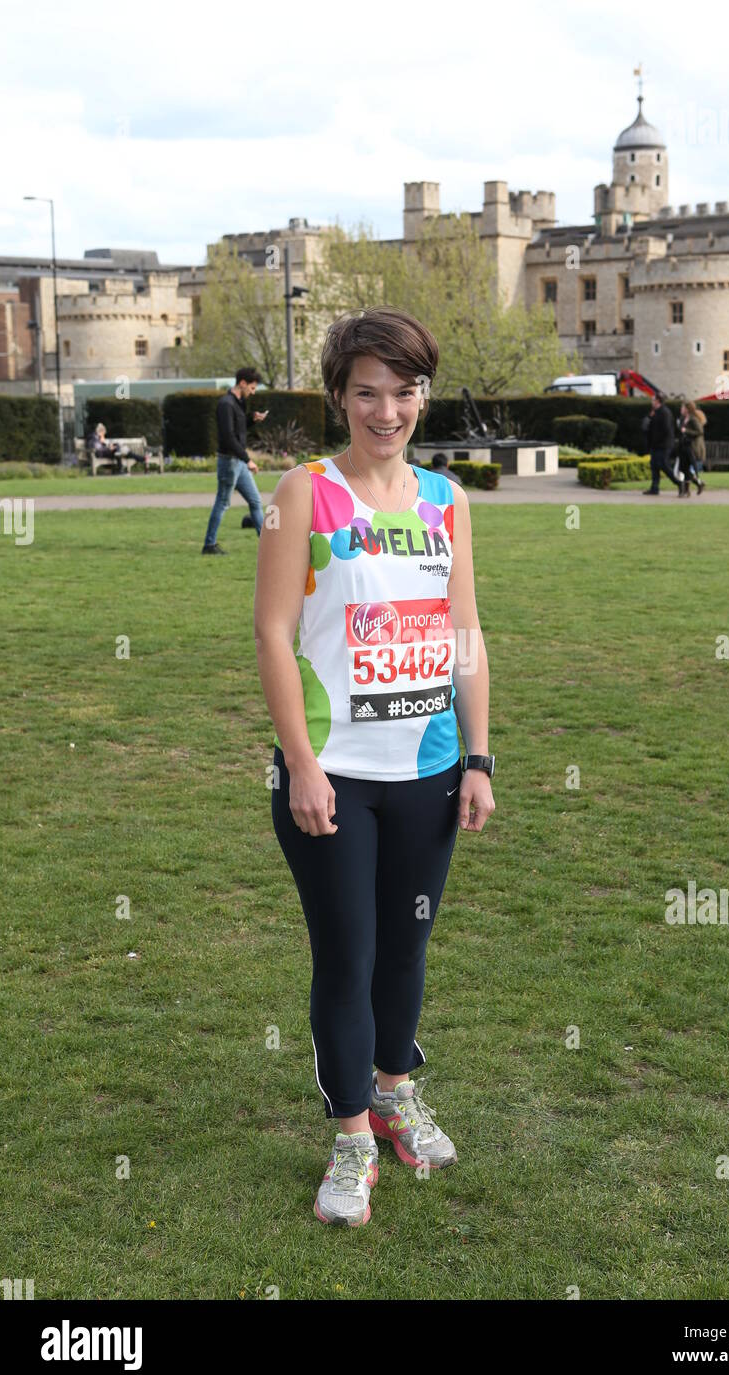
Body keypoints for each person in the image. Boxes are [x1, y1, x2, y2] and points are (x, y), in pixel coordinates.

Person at [254, 306, 496, 1226]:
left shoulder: (446, 499)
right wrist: (301, 763)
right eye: (367, 392)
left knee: (406, 947)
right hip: (335, 776)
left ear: (422, 396)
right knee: (348, 953)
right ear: (339, 397)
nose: (386, 411)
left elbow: (464, 632)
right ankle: (352, 1138)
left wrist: (476, 757)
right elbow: (274, 634)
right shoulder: (304, 492)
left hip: (429, 770)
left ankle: (396, 1092)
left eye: (403, 392)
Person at [201, 367, 269, 555]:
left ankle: (267, 545)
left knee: (255, 501)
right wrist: (248, 460)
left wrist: (252, 420)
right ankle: (209, 545)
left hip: (238, 463)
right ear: (242, 383)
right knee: (222, 502)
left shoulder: (239, 403)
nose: (252, 392)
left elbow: (238, 430)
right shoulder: (226, 404)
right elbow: (228, 437)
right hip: (230, 462)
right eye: (252, 388)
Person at [641, 392, 682, 495]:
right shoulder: (655, 412)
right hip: (656, 445)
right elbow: (649, 427)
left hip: (663, 445)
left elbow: (666, 430)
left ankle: (679, 483)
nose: (652, 402)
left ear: (657, 401)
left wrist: (658, 440)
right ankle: (654, 488)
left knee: (663, 465)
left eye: (653, 400)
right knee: (654, 465)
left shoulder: (664, 413)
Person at [678, 401, 707, 496]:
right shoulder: (683, 419)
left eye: (682, 408)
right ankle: (691, 488)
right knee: (685, 469)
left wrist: (686, 430)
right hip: (685, 446)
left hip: (693, 448)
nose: (681, 409)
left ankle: (691, 487)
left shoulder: (693, 419)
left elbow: (700, 431)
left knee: (687, 470)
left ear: (687, 409)